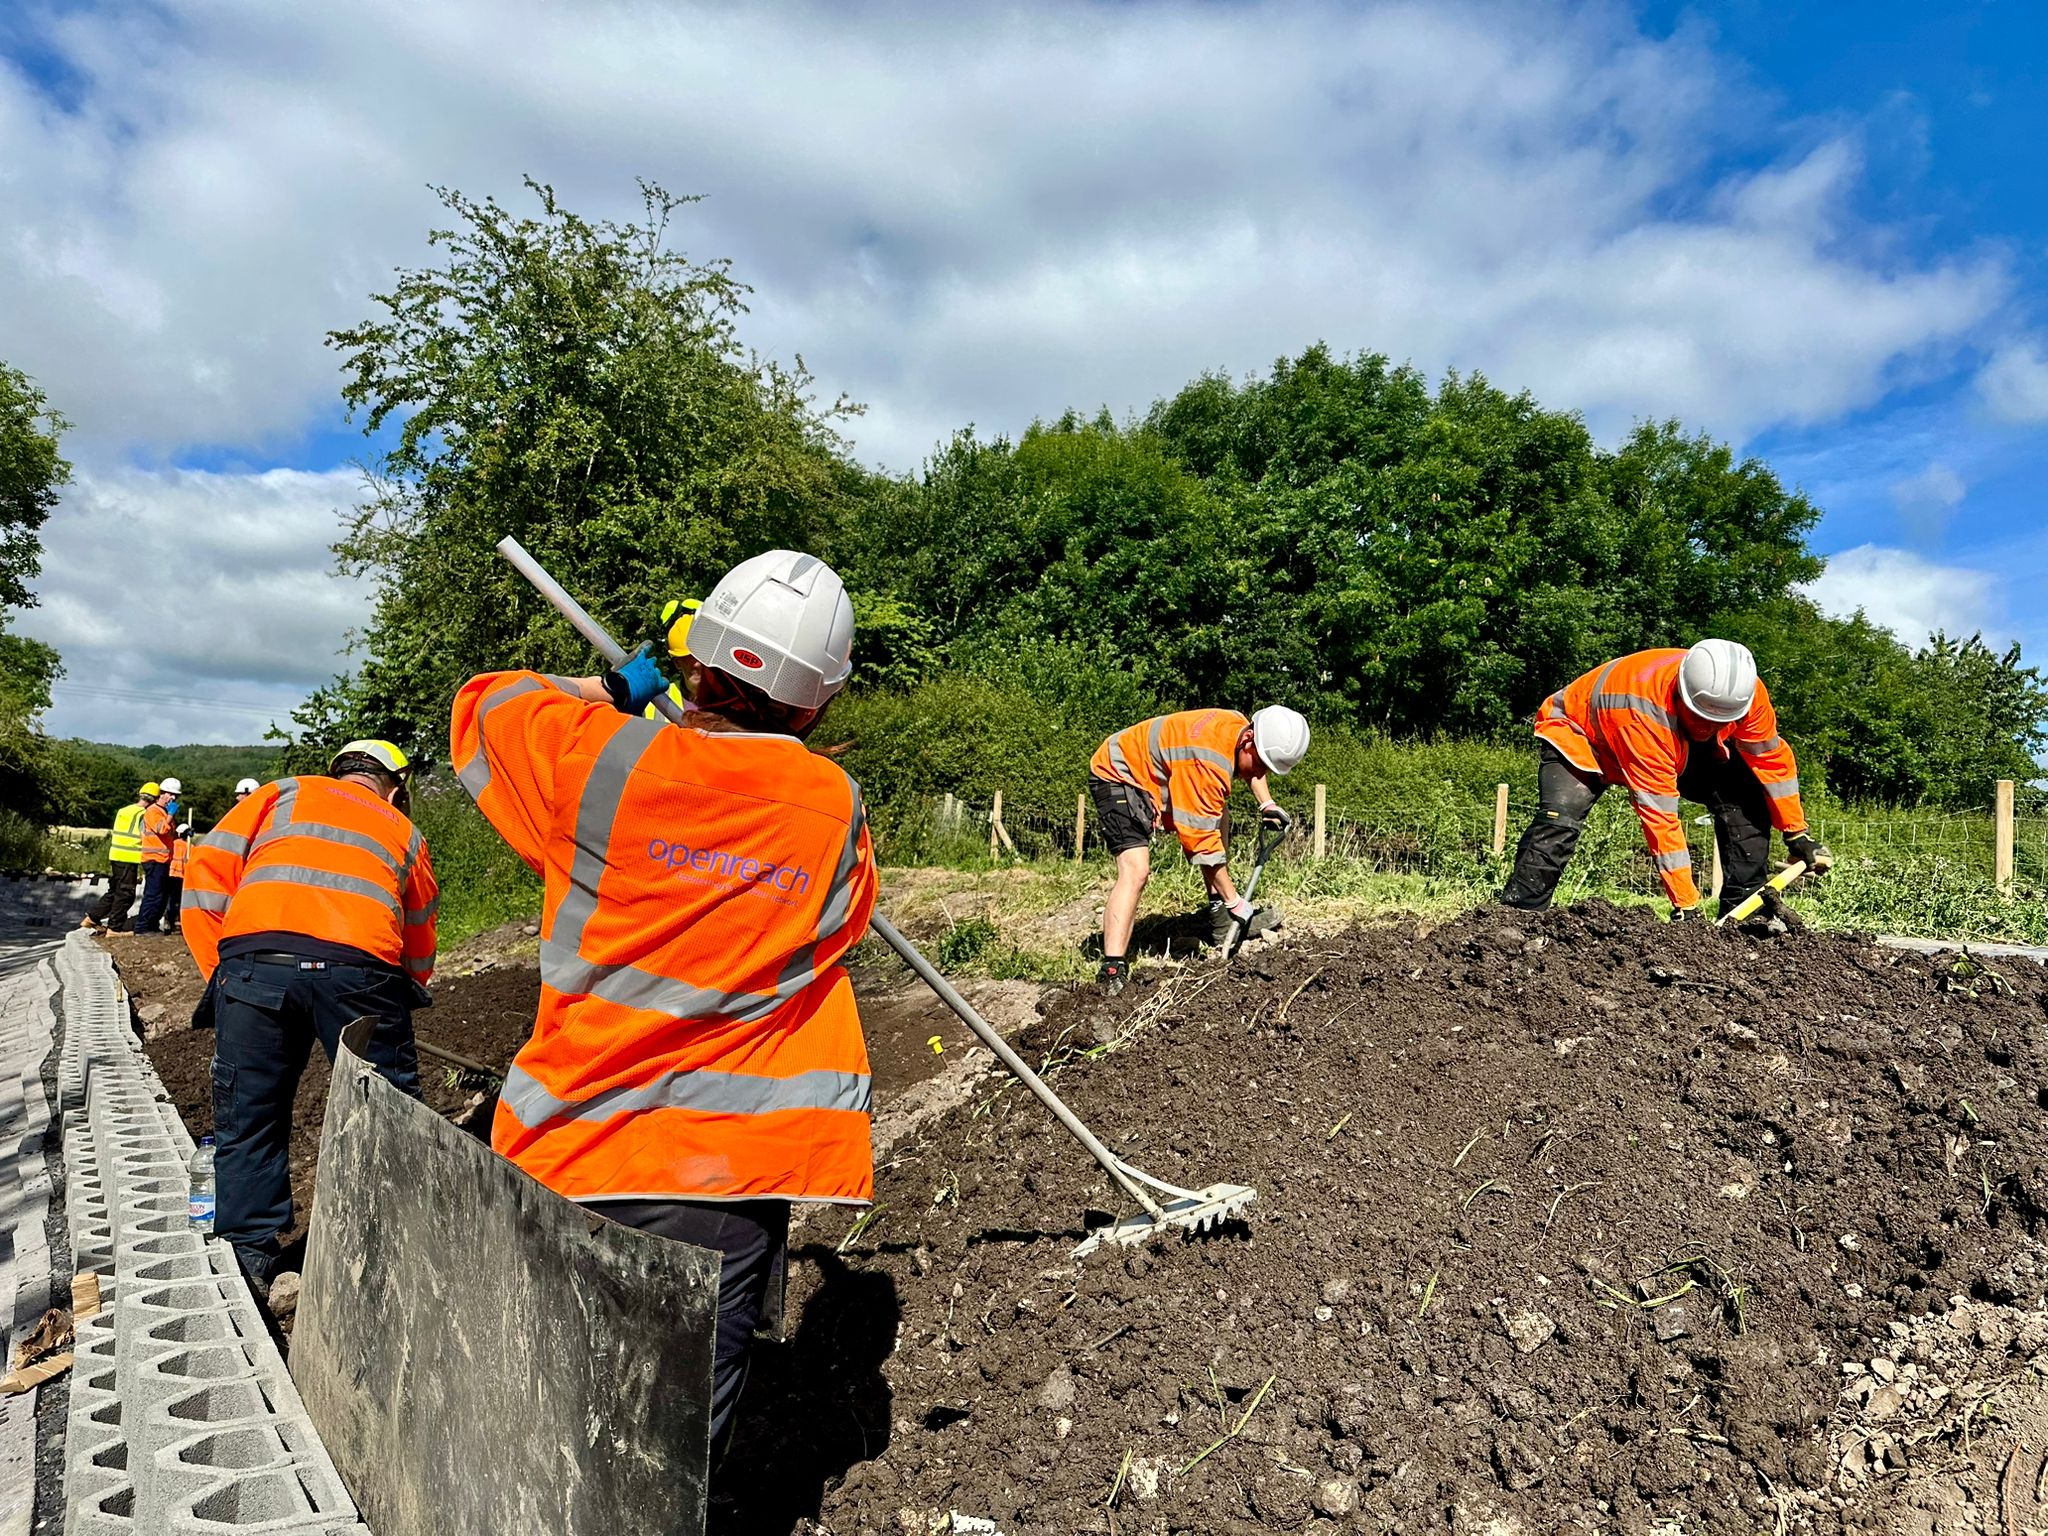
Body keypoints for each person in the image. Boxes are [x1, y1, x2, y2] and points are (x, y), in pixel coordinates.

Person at [451, 549, 875, 1458]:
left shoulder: (596, 757)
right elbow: (840, 925)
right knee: (677, 1450)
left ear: (697, 658)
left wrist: (611, 688)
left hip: (569, 1148)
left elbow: (484, 708)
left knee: (542, 1423)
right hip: (727, 1176)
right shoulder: (833, 804)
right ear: (817, 701)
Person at [179, 740, 437, 1290]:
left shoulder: (282, 793)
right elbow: (419, 932)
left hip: (256, 963)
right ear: (396, 788)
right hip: (360, 971)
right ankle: (392, 1243)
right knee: (387, 1106)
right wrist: (404, 991)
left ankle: (250, 1255)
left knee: (249, 1109)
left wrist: (223, 974)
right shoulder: (403, 830)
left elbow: (205, 873)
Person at [1499, 639, 1833, 919]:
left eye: (1720, 722)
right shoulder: (1642, 709)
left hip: (1675, 740)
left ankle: (1742, 919)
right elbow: (1659, 814)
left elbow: (1771, 762)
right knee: (1560, 819)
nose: (1709, 728)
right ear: (1681, 693)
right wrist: (1685, 905)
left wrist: (1796, 833)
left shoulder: (1747, 696)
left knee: (1745, 796)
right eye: (1701, 718)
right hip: (1579, 735)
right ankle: (1518, 920)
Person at [1087, 705, 1311, 991]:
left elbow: (1253, 764)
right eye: (1262, 764)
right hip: (1118, 774)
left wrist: (1266, 803)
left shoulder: (1238, 725)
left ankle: (1219, 919)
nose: (1260, 772)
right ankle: (1112, 968)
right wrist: (1236, 901)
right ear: (1248, 740)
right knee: (1136, 870)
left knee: (1221, 815)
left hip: (1153, 771)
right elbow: (1201, 844)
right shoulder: (1208, 763)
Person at [81, 781, 153, 932]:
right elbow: (145, 834)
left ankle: (92, 918)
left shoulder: (124, 810)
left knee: (115, 890)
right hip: (129, 857)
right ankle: (114, 929)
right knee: (126, 894)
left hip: (116, 855)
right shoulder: (145, 815)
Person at [130, 777, 182, 937]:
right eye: (170, 794)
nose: (173, 798)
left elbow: (170, 834)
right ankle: (143, 927)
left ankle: (151, 925)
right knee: (153, 895)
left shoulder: (164, 812)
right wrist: (171, 816)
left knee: (161, 895)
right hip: (153, 859)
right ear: (162, 794)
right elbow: (162, 829)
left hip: (163, 860)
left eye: (175, 796)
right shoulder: (153, 811)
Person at [161, 816, 192, 934]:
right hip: (182, 877)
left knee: (169, 900)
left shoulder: (172, 843)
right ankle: (176, 922)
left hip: (170, 874)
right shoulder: (190, 847)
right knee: (177, 901)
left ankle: (168, 922)